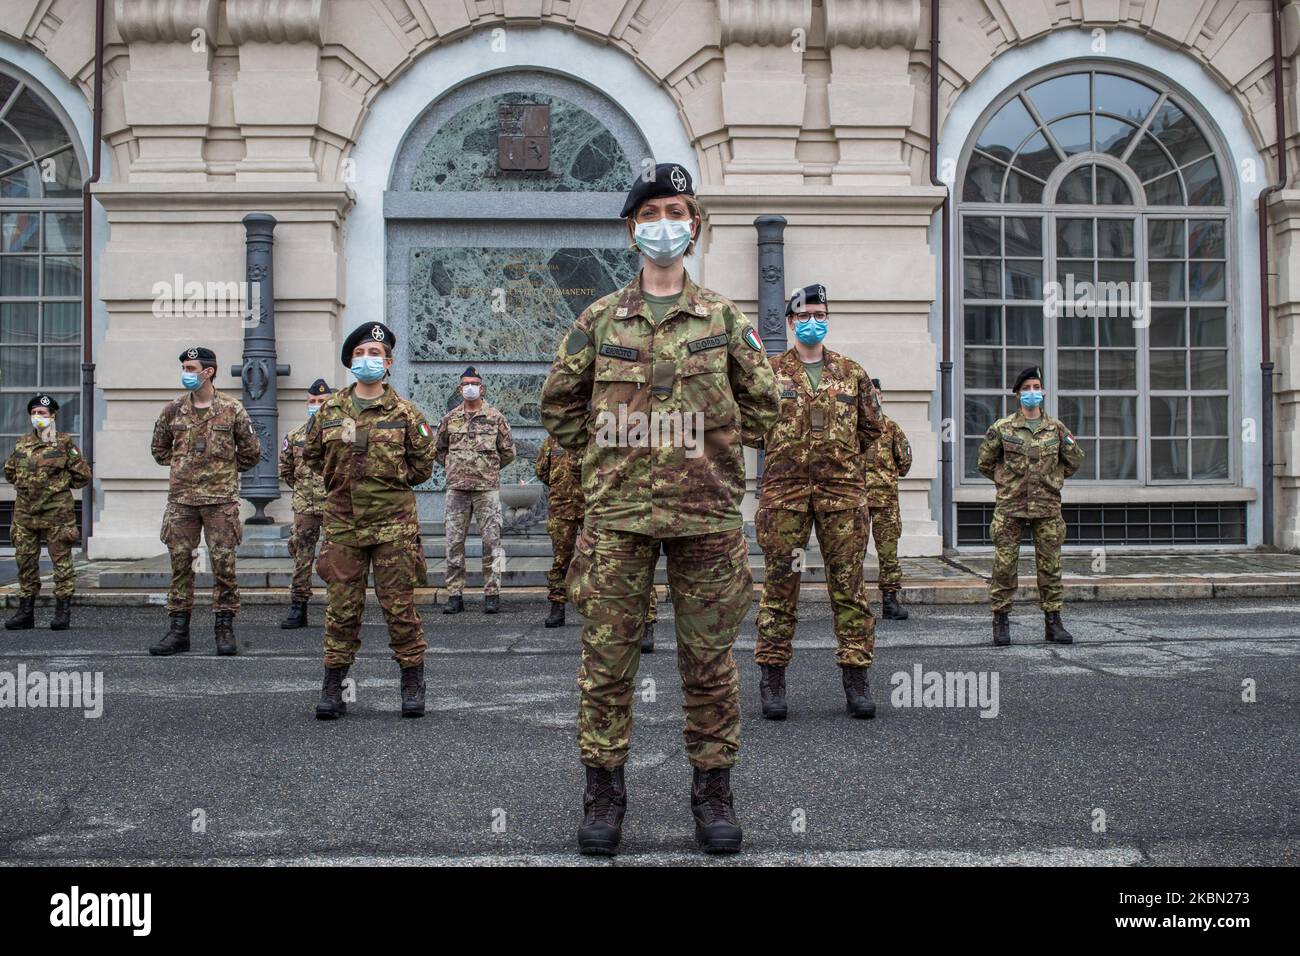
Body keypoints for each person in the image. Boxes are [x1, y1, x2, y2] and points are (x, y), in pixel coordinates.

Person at [540, 161, 780, 856]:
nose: (663, 225)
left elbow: (766, 405)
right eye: (650, 214)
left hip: (706, 519)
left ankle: (713, 795)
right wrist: (610, 457)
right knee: (606, 665)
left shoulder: (724, 319)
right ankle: (603, 796)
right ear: (631, 231)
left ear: (694, 227)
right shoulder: (598, 319)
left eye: (675, 212)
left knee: (709, 666)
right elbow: (559, 406)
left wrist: (712, 452)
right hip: (618, 520)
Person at [751, 284, 883, 721]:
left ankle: (857, 679)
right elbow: (750, 428)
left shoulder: (851, 372)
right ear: (790, 322)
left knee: (849, 589)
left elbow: (871, 428)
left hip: (841, 497)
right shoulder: (769, 373)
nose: (813, 322)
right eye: (805, 315)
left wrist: (836, 460)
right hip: (784, 497)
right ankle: (772, 678)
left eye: (820, 314)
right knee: (780, 587)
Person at [302, 322, 436, 718]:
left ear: (388, 363)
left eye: (375, 354)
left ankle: (412, 682)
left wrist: (386, 486)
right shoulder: (330, 411)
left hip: (393, 525)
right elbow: (313, 456)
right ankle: (334, 687)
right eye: (360, 354)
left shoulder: (406, 414)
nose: (367, 360)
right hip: (343, 525)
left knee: (399, 608)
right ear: (350, 361)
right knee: (341, 609)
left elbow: (423, 466)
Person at [148, 347, 260, 656]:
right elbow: (159, 450)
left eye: (191, 368)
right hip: (182, 501)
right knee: (180, 564)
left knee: (224, 565)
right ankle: (178, 630)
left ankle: (224, 628)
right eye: (184, 368)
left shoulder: (232, 409)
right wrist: (185, 466)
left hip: (220, 501)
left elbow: (251, 452)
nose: (186, 373)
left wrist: (221, 471)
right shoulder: (173, 410)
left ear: (208, 371)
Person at [977, 367, 1085, 646]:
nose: (1032, 393)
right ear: (1017, 394)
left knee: (1050, 566)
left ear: (1043, 391)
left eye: (1036, 387)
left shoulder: (1056, 429)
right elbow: (985, 463)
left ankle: (1053, 622)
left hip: (1047, 507)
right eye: (1026, 388)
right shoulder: (1002, 428)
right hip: (1011, 507)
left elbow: (1074, 460)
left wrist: (1052, 479)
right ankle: (1001, 620)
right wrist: (1007, 482)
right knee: (1004, 566)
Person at [3, 394, 92, 631]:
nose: (37, 417)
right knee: (25, 562)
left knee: (61, 563)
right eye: (34, 413)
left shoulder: (64, 443)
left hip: (57, 513)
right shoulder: (22, 443)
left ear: (52, 416)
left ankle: (62, 611)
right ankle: (26, 612)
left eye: (42, 413)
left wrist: (57, 487)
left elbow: (82, 475)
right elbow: (10, 471)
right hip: (25, 514)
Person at [433, 367, 515, 615]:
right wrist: (456, 468)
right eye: (465, 383)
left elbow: (508, 452)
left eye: (474, 383)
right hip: (457, 490)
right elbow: (438, 450)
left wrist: (487, 469)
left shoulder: (496, 417)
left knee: (493, 543)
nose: (470, 387)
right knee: (453, 543)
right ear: (459, 389)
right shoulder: (449, 419)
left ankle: (493, 593)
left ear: (482, 388)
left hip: (486, 490)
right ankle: (454, 594)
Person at [278, 378, 332, 629]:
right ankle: (298, 606)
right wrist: (303, 492)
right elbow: (286, 471)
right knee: (302, 558)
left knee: (335, 559)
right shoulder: (295, 436)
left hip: (334, 506)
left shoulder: (343, 434)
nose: (316, 405)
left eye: (321, 401)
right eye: (312, 401)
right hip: (305, 508)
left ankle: (337, 607)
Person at [865, 377, 913, 621]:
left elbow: (905, 461)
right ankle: (854, 603)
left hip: (885, 502)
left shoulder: (891, 428)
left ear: (882, 397)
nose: (875, 398)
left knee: (888, 553)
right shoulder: (850, 428)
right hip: (855, 502)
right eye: (870, 394)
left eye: (877, 393)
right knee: (850, 554)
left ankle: (890, 601)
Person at [536, 433, 582, 627]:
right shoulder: (552, 440)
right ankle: (557, 606)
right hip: (561, 507)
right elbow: (541, 470)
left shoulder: (593, 436)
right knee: (560, 560)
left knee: (599, 560)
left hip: (591, 506)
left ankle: (599, 609)